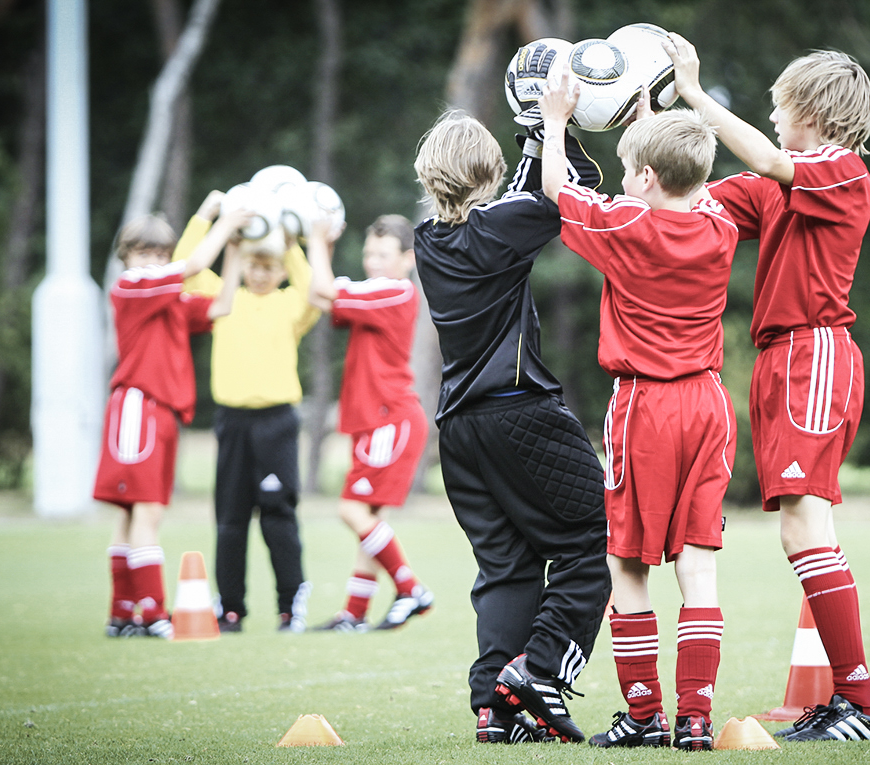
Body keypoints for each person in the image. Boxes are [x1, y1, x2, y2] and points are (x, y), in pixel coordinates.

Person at [664, 35, 870, 741]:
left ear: (815, 112)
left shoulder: (843, 171)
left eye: (779, 106)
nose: (771, 118)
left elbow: (768, 160)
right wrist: (648, 127)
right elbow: (686, 201)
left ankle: (861, 704)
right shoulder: (779, 185)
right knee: (799, 529)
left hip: (813, 354)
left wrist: (698, 98)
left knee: (804, 527)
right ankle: (856, 701)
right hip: (779, 360)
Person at [538, 76, 738, 751]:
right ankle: (698, 718)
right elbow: (685, 180)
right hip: (709, 403)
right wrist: (651, 123)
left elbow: (559, 191)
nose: (622, 183)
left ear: (646, 177)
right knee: (699, 566)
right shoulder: (721, 228)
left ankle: (645, 714)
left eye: (629, 172)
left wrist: (557, 121)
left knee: (628, 562)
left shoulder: (626, 224)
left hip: (645, 405)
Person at [412, 109, 611, 745]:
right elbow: (573, 184)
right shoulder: (502, 226)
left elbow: (531, 190)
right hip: (521, 413)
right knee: (593, 541)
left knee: (508, 566)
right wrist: (553, 121)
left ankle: (494, 709)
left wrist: (536, 136)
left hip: (459, 431)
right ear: (490, 172)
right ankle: (541, 669)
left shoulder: (427, 240)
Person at [98, 210, 246, 639]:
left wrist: (233, 250)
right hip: (137, 407)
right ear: (125, 256)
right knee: (145, 510)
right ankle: (153, 613)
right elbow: (196, 265)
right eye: (143, 253)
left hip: (160, 412)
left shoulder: (166, 296)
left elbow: (222, 305)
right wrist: (223, 221)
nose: (153, 262)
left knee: (135, 513)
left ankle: (123, 613)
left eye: (161, 254)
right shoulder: (131, 286)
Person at [175, 191, 318, 634]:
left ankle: (290, 607)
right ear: (242, 263)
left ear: (279, 271)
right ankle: (230, 608)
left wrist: (291, 240)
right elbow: (184, 270)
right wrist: (208, 218)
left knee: (278, 517)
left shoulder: (290, 305)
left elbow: (315, 288)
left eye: (269, 266)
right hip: (233, 422)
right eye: (254, 265)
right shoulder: (222, 298)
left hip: (277, 422)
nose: (260, 274)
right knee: (230, 519)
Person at [304, 214, 433, 633]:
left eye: (383, 254)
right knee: (369, 517)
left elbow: (324, 288)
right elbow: (322, 298)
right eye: (368, 253)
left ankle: (411, 588)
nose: (373, 261)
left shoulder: (393, 292)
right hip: (375, 419)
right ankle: (355, 614)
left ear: (408, 259)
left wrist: (315, 241)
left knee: (351, 509)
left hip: (388, 418)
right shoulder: (377, 291)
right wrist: (312, 249)